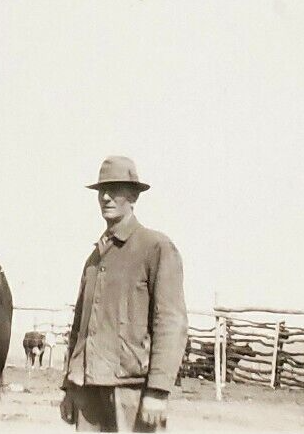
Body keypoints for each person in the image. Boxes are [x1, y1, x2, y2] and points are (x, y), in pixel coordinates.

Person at [60, 156, 188, 432]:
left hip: (132, 391)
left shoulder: (156, 248)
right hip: (88, 390)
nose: (105, 197)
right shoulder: (95, 257)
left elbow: (171, 322)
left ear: (133, 195)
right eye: (101, 192)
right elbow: (79, 328)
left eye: (115, 190)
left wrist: (158, 390)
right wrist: (69, 387)